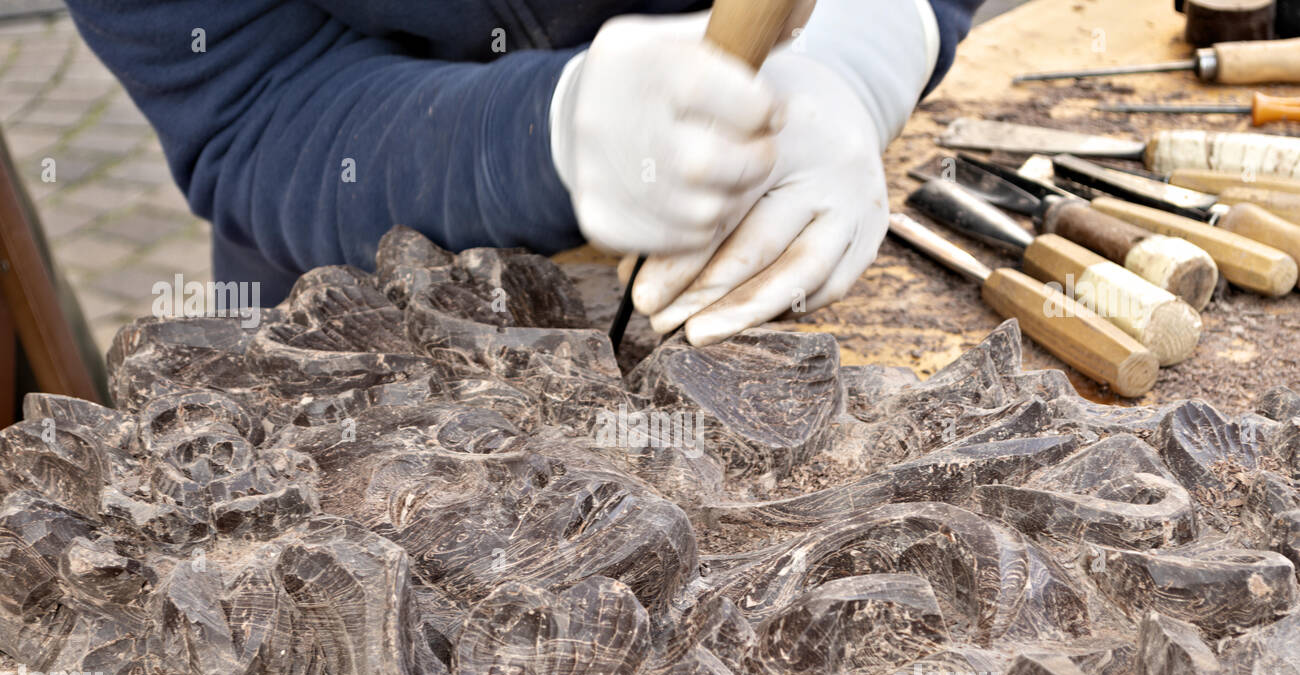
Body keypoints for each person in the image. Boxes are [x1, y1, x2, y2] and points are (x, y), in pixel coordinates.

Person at [65, 0, 984, 345]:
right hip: (361, 320)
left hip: (780, 221)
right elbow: (249, 99)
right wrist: (543, 136)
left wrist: (861, 53)